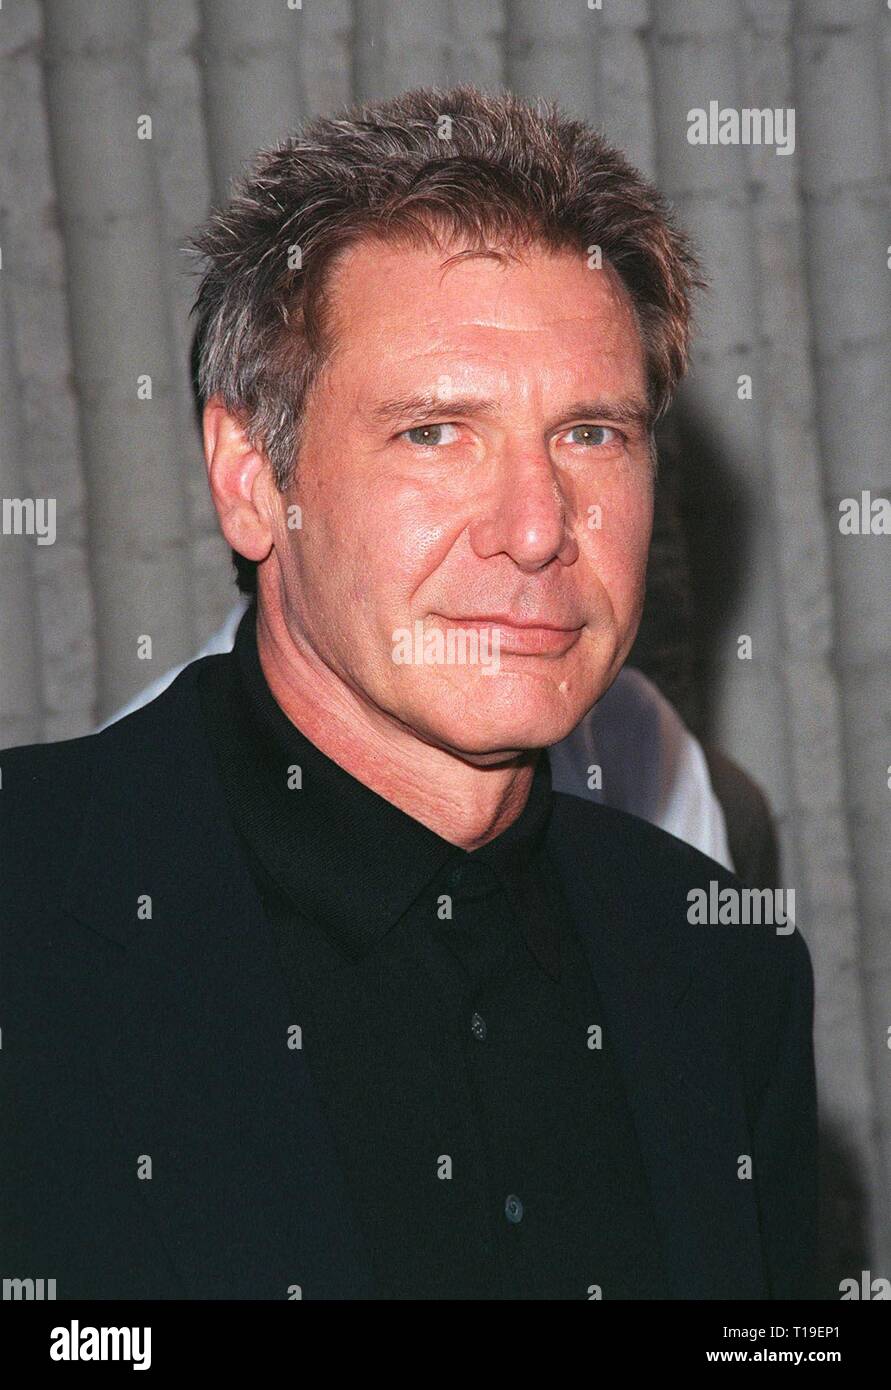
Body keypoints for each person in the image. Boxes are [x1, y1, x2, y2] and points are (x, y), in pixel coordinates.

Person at [0, 86, 817, 1300]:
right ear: (248, 477)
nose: (539, 531)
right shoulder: (32, 898)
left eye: (592, 433)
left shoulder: (718, 964)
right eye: (436, 432)